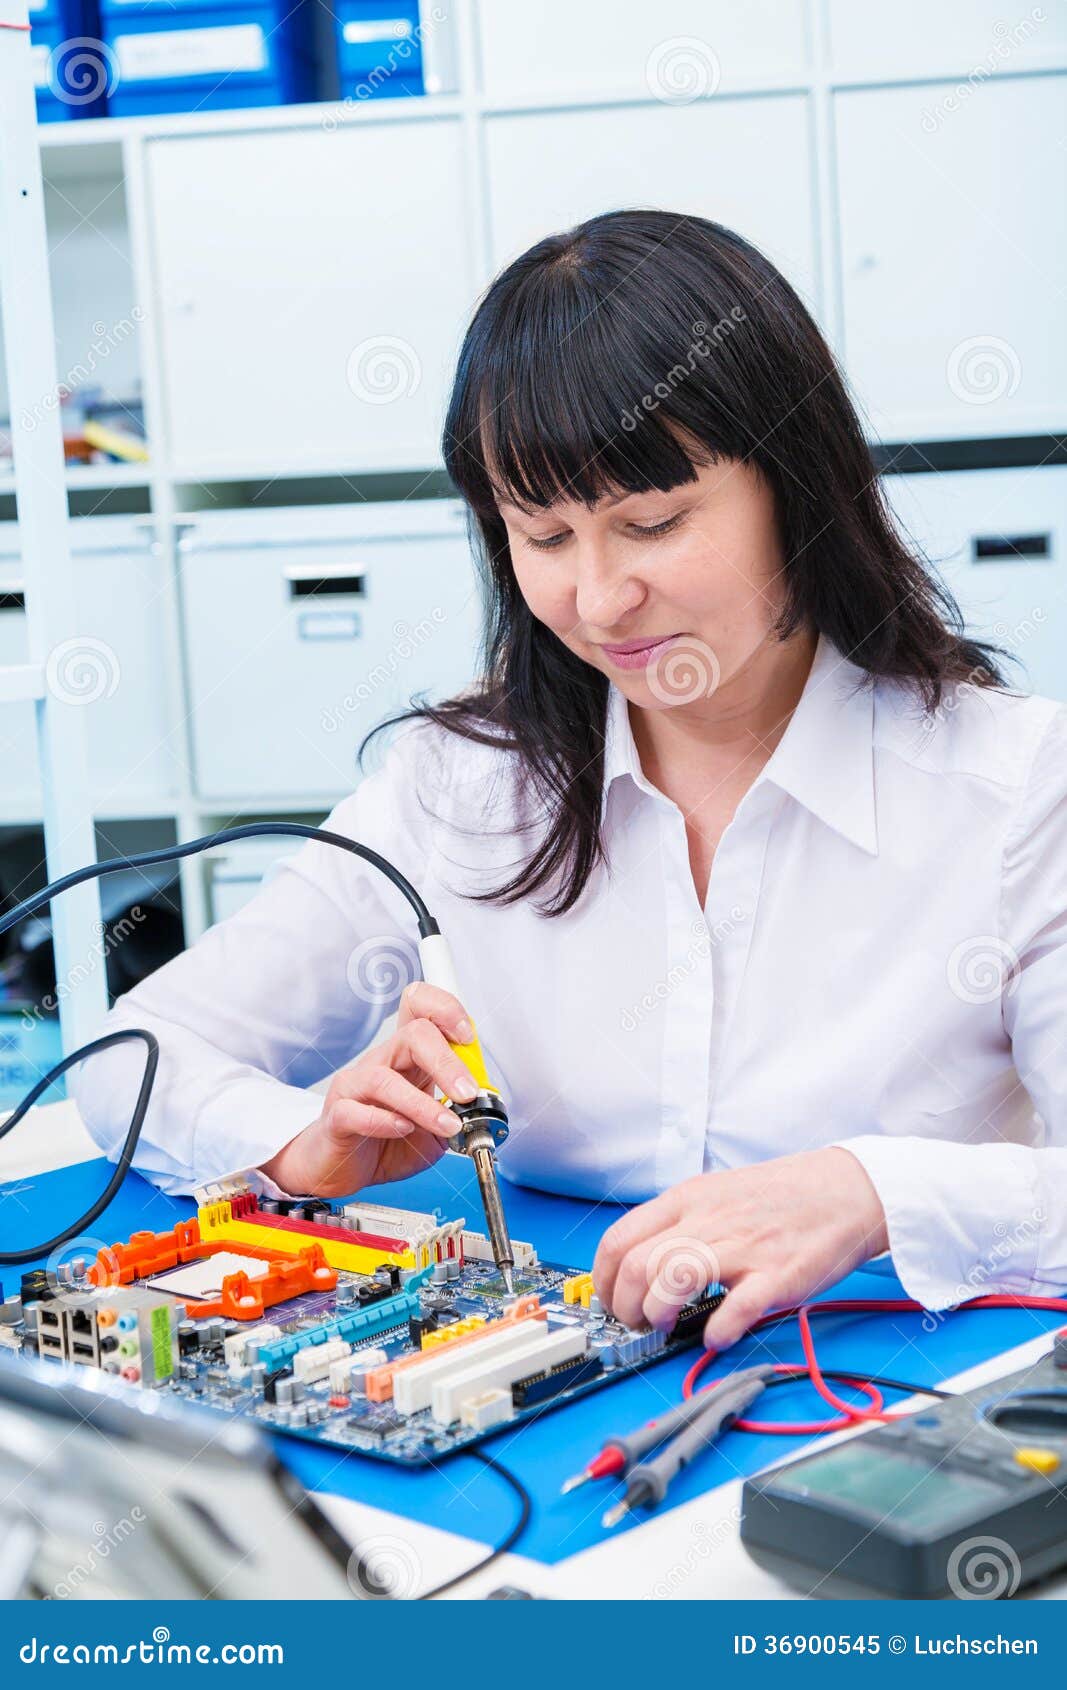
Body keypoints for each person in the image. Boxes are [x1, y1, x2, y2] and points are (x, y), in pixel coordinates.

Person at [75, 210, 1067, 1351]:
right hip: (540, 1416)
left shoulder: (1014, 790)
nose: (596, 602)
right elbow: (129, 1057)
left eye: (649, 524)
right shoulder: (459, 787)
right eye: (540, 538)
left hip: (900, 1401)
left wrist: (871, 1192)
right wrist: (296, 1142)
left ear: (794, 484)